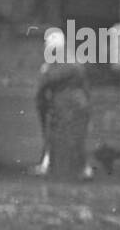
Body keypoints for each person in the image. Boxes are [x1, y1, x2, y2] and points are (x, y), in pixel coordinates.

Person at [36, 27, 92, 180]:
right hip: (78, 103)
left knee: (57, 136)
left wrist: (45, 74)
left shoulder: (54, 65)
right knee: (77, 138)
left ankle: (52, 167)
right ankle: (82, 168)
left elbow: (44, 84)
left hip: (63, 104)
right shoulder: (74, 62)